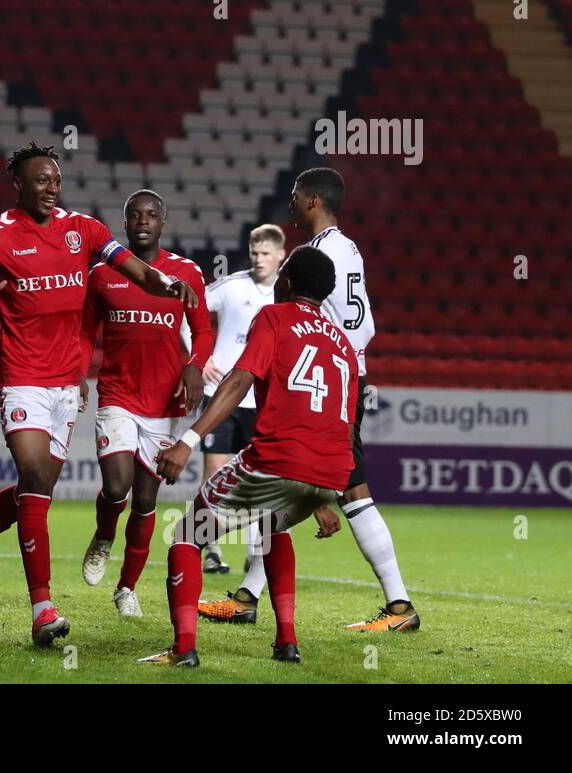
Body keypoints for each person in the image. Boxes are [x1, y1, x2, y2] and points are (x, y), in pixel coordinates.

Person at [0, 142, 197, 645]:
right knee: (32, 476)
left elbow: (128, 265)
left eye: (55, 180)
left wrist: (163, 284)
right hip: (21, 376)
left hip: (64, 386)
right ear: (19, 185)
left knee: (35, 494)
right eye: (40, 181)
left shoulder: (85, 230)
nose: (51, 189)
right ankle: (43, 609)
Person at [199, 168, 419, 632]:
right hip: (341, 377)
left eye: (297, 197)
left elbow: (339, 326)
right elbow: (367, 325)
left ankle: (400, 607)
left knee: (353, 494)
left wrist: (329, 358)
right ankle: (247, 596)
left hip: (333, 383)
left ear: (314, 200)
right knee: (291, 483)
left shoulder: (317, 255)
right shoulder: (349, 247)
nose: (292, 204)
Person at [141, 246, 356, 667]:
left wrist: (188, 440)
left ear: (287, 282)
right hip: (331, 470)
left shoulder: (274, 317)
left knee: (188, 535)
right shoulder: (343, 345)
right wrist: (326, 496)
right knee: (274, 525)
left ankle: (183, 648)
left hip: (277, 460)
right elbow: (342, 423)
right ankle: (287, 642)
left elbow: (240, 379)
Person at [77, 189, 211, 619]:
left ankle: (126, 588)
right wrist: (79, 373)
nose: (143, 221)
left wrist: (195, 365)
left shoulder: (185, 272)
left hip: (163, 402)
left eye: (151, 215)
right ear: (125, 222)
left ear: (162, 223)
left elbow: (204, 331)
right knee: (117, 487)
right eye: (134, 215)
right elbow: (85, 332)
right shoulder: (102, 274)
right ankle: (102, 537)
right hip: (116, 394)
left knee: (145, 501)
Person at [198, 224, 286, 577]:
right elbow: (191, 311)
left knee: (260, 477)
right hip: (221, 395)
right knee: (215, 474)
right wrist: (199, 357)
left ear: (280, 255)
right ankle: (211, 549)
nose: (259, 259)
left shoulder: (286, 294)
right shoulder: (232, 286)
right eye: (255, 252)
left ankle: (256, 551)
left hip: (263, 400)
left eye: (266, 253)